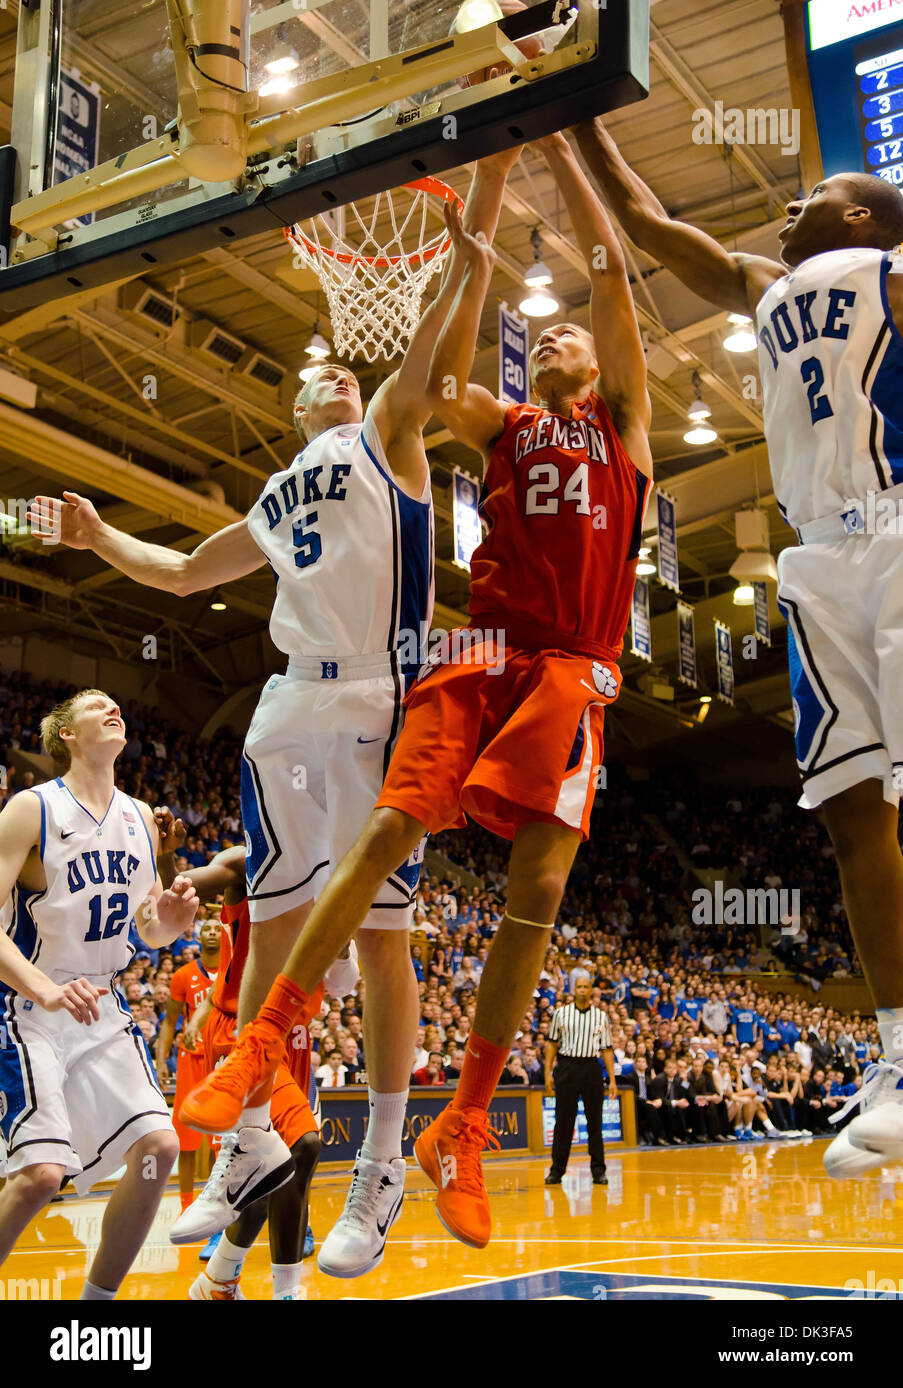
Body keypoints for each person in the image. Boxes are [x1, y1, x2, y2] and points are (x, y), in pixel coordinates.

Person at [32, 152, 524, 1276]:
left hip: (375, 692)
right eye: (313, 379)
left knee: (388, 939)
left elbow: (449, 311)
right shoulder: (271, 493)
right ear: (292, 410)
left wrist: (483, 196)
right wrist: (101, 537)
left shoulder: (392, 428)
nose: (333, 377)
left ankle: (388, 1160)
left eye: (341, 371)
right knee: (268, 925)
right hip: (283, 709)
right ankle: (248, 1143)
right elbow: (182, 576)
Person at [178, 126, 653, 1259]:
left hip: (569, 664)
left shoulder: (622, 430)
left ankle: (468, 1120)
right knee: (390, 828)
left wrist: (566, 128)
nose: (556, 335)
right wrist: (473, 240)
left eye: (569, 332)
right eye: (539, 335)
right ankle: (265, 1041)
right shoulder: (508, 423)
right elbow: (438, 385)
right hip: (482, 646)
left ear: (598, 367)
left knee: (539, 877)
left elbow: (614, 270)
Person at [574, 117, 903, 1182]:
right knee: (854, 807)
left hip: (900, 526)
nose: (787, 202)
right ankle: (899, 1063)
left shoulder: (896, 264)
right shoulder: (764, 283)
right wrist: (577, 109)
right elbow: (642, 217)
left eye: (812, 194)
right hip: (817, 562)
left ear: (861, 213)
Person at [0, 690, 198, 1298]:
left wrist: (168, 918)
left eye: (117, 706)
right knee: (38, 1177)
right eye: (97, 705)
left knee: (160, 1146)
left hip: (103, 1003)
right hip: (29, 1002)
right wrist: (43, 989)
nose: (114, 709)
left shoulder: (141, 818)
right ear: (66, 734)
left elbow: (146, 930)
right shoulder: (30, 810)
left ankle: (94, 1311)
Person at [159, 839, 358, 1299]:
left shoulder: (335, 877)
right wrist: (168, 856)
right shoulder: (243, 862)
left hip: (296, 1035)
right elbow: (178, 888)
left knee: (277, 1168)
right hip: (242, 1026)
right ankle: (285, 1290)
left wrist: (343, 931)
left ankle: (219, 1279)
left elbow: (344, 986)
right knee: (302, 1145)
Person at [156, 913, 222, 1215]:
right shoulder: (183, 975)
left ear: (224, 936)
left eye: (215, 928)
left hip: (221, 1059)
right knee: (186, 1138)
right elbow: (169, 1022)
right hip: (191, 1060)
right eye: (205, 928)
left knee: (218, 1139)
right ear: (197, 936)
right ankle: (185, 1205)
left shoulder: (233, 972)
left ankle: (211, 1202)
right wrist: (161, 1062)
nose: (210, 933)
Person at [544, 976, 618, 1185]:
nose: (583, 990)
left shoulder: (600, 1016)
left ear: (591, 990)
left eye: (586, 987)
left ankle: (598, 1171)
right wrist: (548, 1072)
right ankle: (557, 1170)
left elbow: (606, 1049)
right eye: (579, 987)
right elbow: (551, 1044)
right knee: (563, 1123)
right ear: (574, 989)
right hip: (567, 1067)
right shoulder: (561, 1014)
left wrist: (612, 1079)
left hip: (591, 1068)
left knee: (595, 1122)